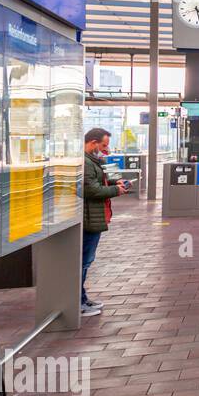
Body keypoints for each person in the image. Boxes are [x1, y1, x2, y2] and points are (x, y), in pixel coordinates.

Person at [81, 128, 130, 316]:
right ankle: (78, 304)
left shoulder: (91, 161)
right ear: (93, 143)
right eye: (103, 145)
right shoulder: (86, 163)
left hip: (93, 216)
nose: (104, 149)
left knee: (85, 261)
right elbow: (91, 190)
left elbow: (95, 182)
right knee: (83, 262)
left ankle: (82, 299)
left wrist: (112, 183)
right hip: (89, 218)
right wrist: (116, 191)